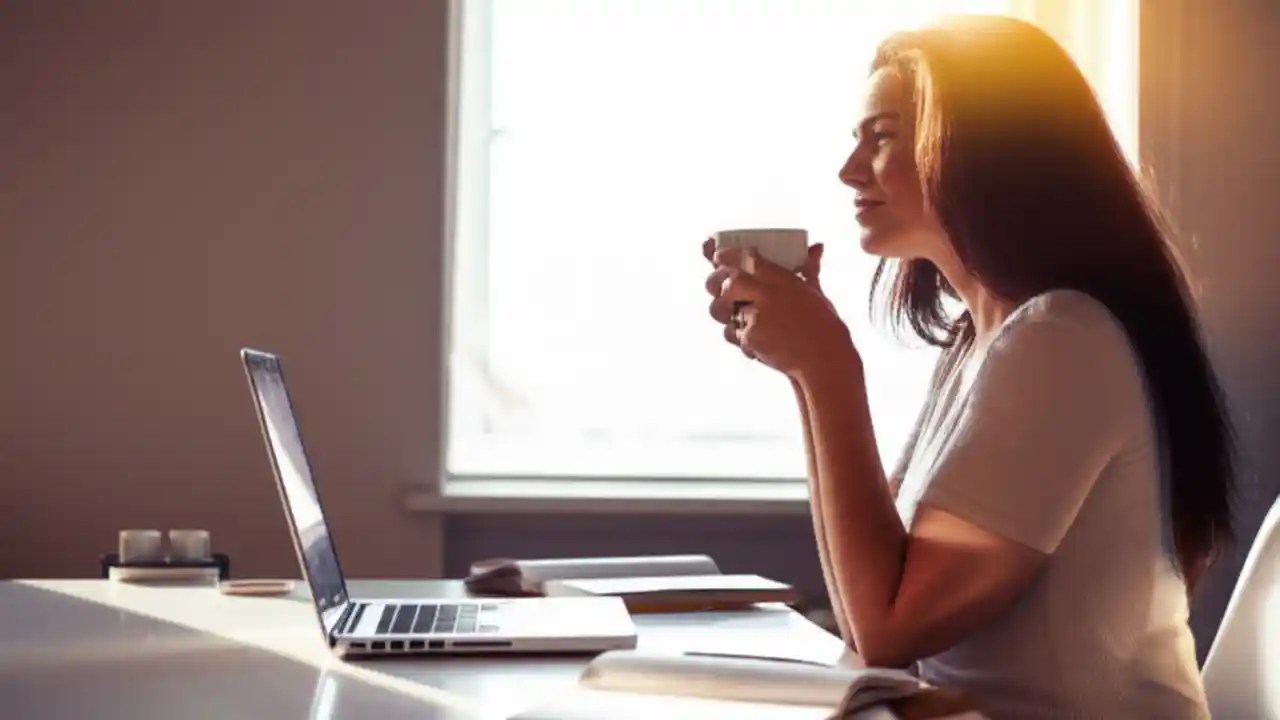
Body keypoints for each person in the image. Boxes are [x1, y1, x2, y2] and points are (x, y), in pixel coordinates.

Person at [702, 15, 1234, 719]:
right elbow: (876, 596)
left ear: (980, 151)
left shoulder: (1063, 340)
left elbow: (887, 628)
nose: (849, 169)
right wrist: (805, 369)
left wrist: (828, 367)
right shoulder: (978, 342)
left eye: (882, 135)